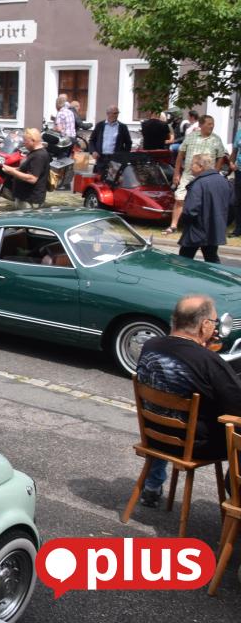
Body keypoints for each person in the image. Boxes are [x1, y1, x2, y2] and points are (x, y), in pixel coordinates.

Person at [135, 294, 241, 507]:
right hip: (193, 445)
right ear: (204, 325)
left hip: (155, 435)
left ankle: (151, 487)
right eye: (214, 322)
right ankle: (237, 498)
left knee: (166, 411)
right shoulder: (208, 361)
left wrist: (202, 348)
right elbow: (237, 407)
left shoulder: (151, 346)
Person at [167, 114, 228, 235]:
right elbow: (180, 155)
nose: (212, 126)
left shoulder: (216, 139)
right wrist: (176, 173)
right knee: (180, 198)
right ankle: (173, 225)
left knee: (205, 201)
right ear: (201, 125)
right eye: (209, 123)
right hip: (189, 174)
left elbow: (221, 156)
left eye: (213, 123)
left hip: (207, 177)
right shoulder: (191, 137)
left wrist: (216, 171)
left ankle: (204, 225)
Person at [178, 153, 231, 263]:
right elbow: (231, 205)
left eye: (192, 164)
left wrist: (184, 222)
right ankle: (217, 279)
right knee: (211, 257)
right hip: (215, 228)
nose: (190, 167)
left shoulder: (199, 184)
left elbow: (190, 210)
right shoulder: (224, 181)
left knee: (184, 259)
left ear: (200, 166)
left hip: (197, 229)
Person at [2, 128, 50, 209]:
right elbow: (27, 169)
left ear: (33, 140)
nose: (24, 143)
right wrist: (12, 169)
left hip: (30, 200)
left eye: (25, 141)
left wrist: (12, 172)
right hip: (24, 197)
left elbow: (32, 178)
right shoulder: (34, 153)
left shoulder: (39, 156)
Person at [91, 105, 132, 178]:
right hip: (101, 158)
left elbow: (128, 143)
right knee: (100, 179)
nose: (115, 115)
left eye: (117, 113)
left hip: (115, 159)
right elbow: (92, 140)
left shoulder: (122, 127)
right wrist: (93, 151)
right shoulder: (100, 125)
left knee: (112, 179)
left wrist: (124, 155)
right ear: (108, 113)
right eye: (113, 113)